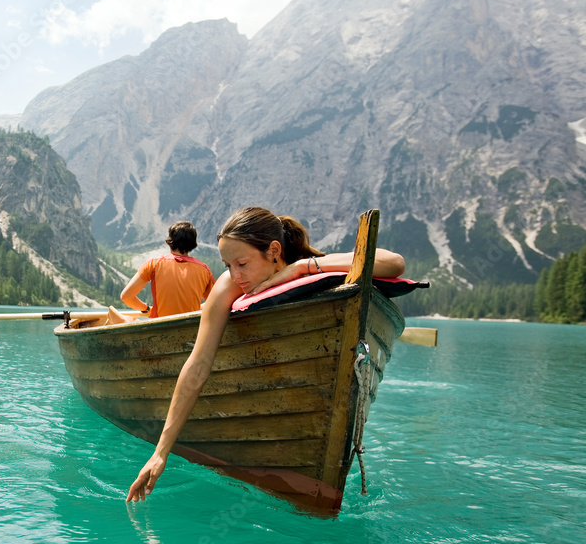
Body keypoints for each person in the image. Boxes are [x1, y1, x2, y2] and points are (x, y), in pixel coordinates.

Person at [125, 206, 406, 502]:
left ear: (274, 251)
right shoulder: (228, 285)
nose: (235, 275)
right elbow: (198, 364)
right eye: (227, 265)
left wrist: (300, 268)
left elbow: (395, 263)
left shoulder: (304, 263)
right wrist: (160, 453)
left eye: (242, 263)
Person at [120, 221, 215, 319]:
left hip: (159, 325)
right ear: (192, 244)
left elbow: (126, 296)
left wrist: (147, 309)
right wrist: (196, 309)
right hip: (191, 326)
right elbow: (216, 303)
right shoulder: (204, 270)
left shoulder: (154, 264)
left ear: (170, 241)